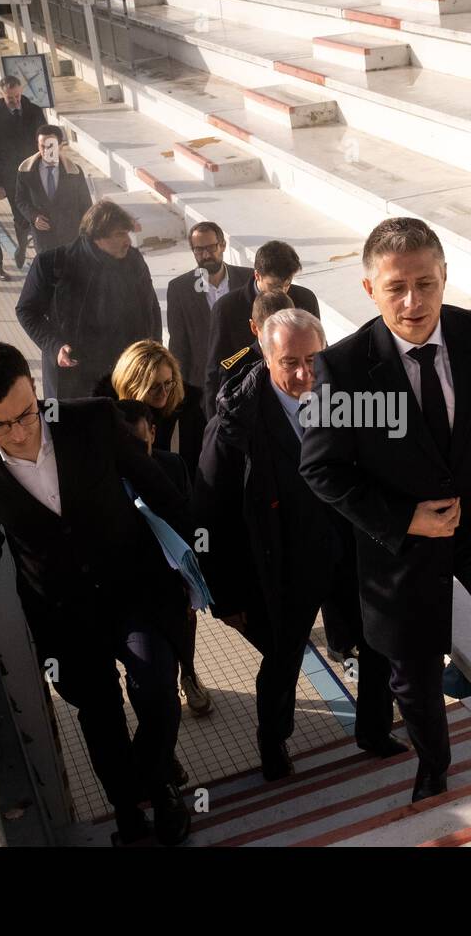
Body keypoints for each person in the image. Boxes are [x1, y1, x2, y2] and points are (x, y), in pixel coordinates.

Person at [300, 217, 471, 810]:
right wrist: (404, 519)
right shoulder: (342, 370)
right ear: (370, 289)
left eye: (426, 283)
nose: (413, 301)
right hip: (400, 544)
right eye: (396, 287)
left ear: (445, 276)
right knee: (416, 679)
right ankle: (433, 765)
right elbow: (321, 469)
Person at [0, 342, 193, 846]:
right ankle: (129, 815)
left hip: (133, 589)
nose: (18, 433)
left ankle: (159, 786)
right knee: (99, 717)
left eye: (25, 415)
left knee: (158, 694)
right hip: (60, 613)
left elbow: (159, 487)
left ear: (35, 390)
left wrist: (194, 566)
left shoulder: (95, 420)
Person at [197, 308, 408, 779]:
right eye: (289, 362)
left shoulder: (350, 397)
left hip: (351, 552)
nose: (304, 374)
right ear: (266, 359)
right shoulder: (235, 426)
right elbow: (212, 514)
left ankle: (374, 730)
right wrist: (226, 595)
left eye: (313, 358)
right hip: (283, 566)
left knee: (378, 642)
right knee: (283, 659)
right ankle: (273, 744)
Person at [104, 346, 214, 718]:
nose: (164, 395)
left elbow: (196, 472)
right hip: (129, 544)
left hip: (175, 525)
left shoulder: (187, 409)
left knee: (184, 608)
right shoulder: (109, 420)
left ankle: (189, 673)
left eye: (169, 384)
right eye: (154, 388)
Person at [16, 200, 161, 399]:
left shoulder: (133, 260)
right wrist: (54, 345)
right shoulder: (51, 263)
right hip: (73, 378)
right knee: (65, 427)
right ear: (96, 237)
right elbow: (27, 311)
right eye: (120, 234)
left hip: (126, 374)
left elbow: (151, 307)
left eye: (128, 233)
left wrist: (155, 353)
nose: (128, 241)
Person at [166, 221, 253, 466]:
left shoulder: (247, 280)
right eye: (198, 250)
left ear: (222, 245)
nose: (205, 254)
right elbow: (179, 344)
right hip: (204, 389)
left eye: (210, 247)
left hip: (246, 380)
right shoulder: (179, 289)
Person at [203, 239, 320, 417]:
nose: (282, 291)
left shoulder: (305, 299)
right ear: (257, 275)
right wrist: (215, 425)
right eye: (274, 285)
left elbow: (319, 355)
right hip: (250, 409)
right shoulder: (227, 308)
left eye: (287, 284)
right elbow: (214, 372)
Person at [0, 75, 47, 272]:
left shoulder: (34, 111)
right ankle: (21, 247)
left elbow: (46, 138)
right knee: (20, 217)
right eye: (10, 98)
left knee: (39, 213)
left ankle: (40, 253)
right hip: (11, 177)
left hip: (35, 173)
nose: (15, 101)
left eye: (18, 96)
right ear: (2, 95)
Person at [13, 125, 93, 255]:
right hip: (43, 240)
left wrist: (86, 235)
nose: (45, 151)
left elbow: (86, 205)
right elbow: (20, 199)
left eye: (50, 146)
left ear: (60, 145)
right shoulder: (26, 171)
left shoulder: (74, 172)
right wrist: (33, 217)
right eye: (42, 146)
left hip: (70, 239)